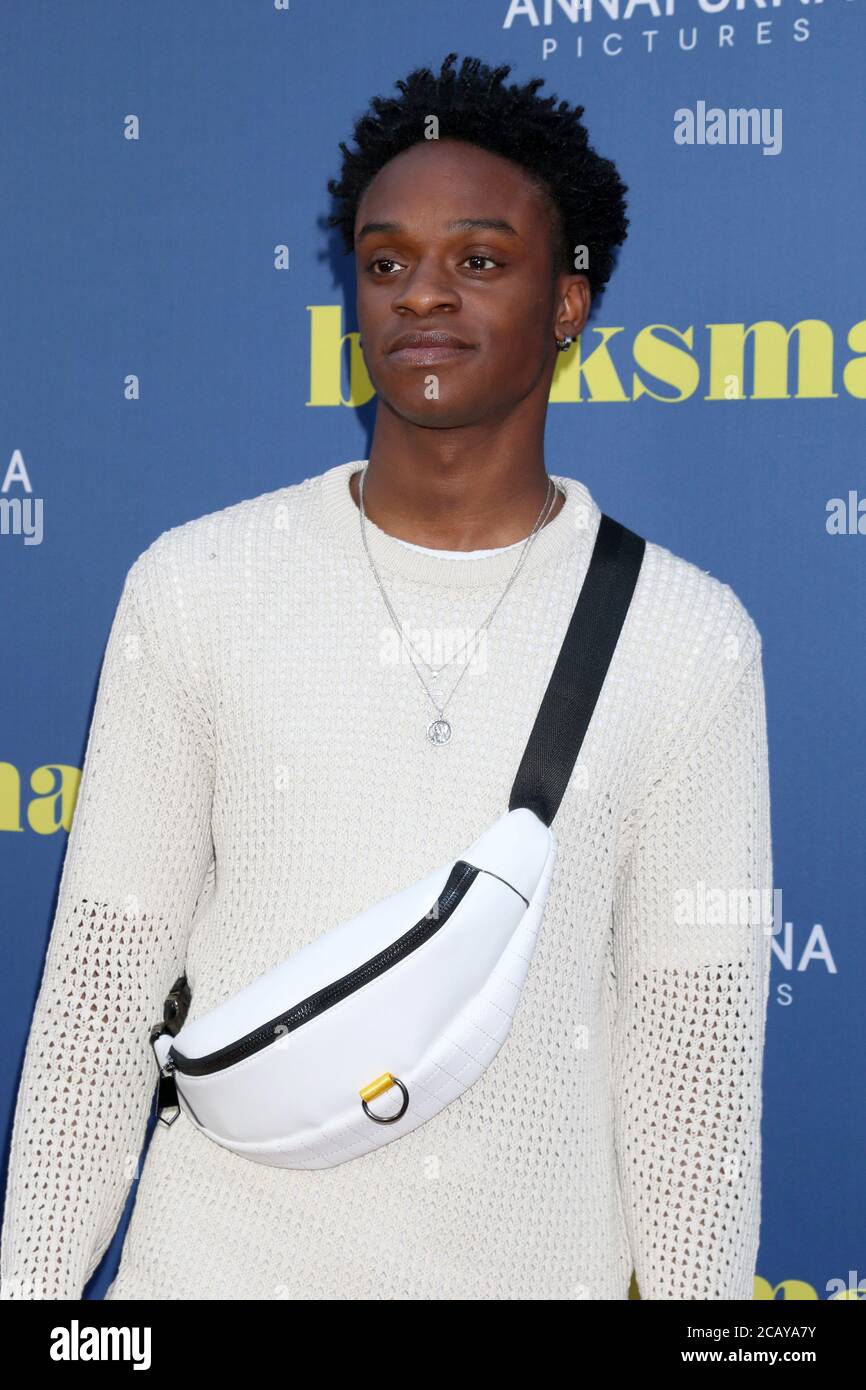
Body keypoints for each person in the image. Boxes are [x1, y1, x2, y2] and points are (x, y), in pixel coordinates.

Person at [0, 52, 772, 1301]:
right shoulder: (196, 586)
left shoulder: (687, 640)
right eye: (384, 260)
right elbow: (98, 1011)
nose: (421, 294)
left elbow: (691, 1084)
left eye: (477, 260)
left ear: (568, 304)